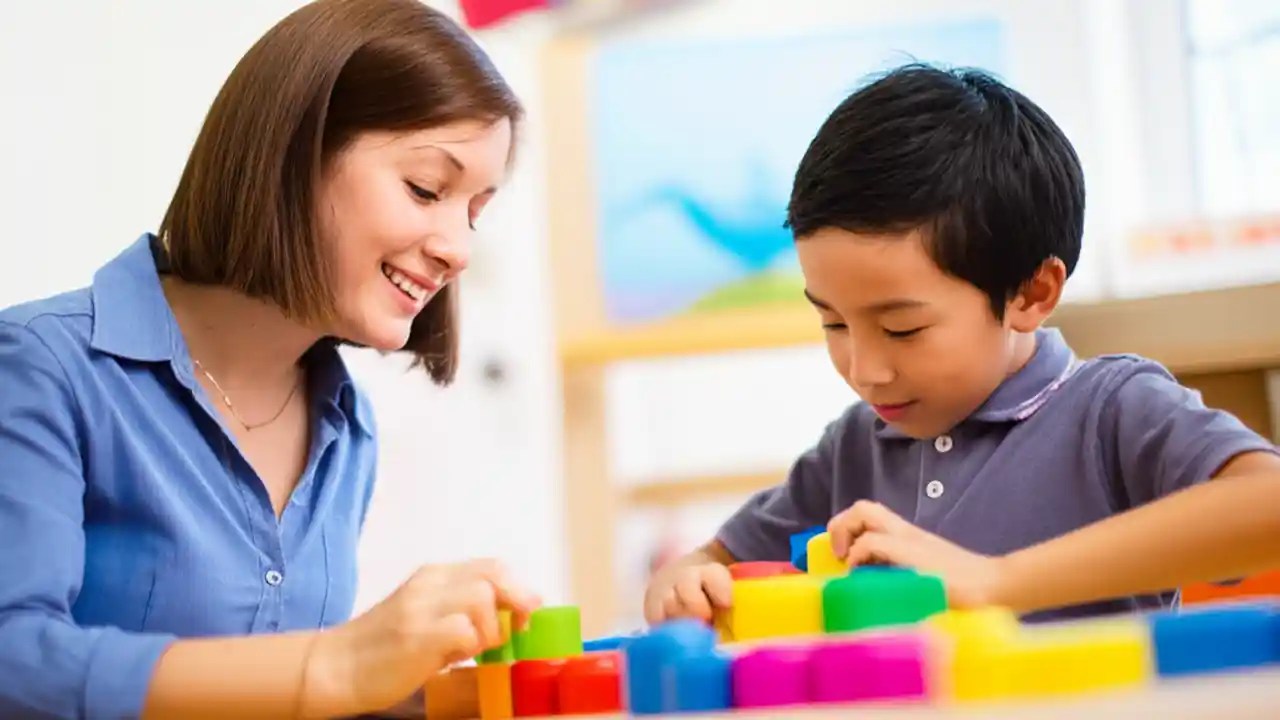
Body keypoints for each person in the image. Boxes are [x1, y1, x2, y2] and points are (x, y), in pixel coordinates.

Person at [0, 1, 541, 718]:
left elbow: (282, 691)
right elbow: (15, 659)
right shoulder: (43, 370)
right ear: (293, 153)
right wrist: (340, 664)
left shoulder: (348, 433)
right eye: (425, 189)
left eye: (473, 210)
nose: (458, 248)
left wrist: (433, 694)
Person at [644, 64, 1280, 627]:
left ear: (1031, 293)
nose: (865, 372)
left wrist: (996, 581)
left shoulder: (1111, 411)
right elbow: (715, 562)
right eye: (834, 324)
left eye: (902, 330)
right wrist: (685, 582)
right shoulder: (852, 450)